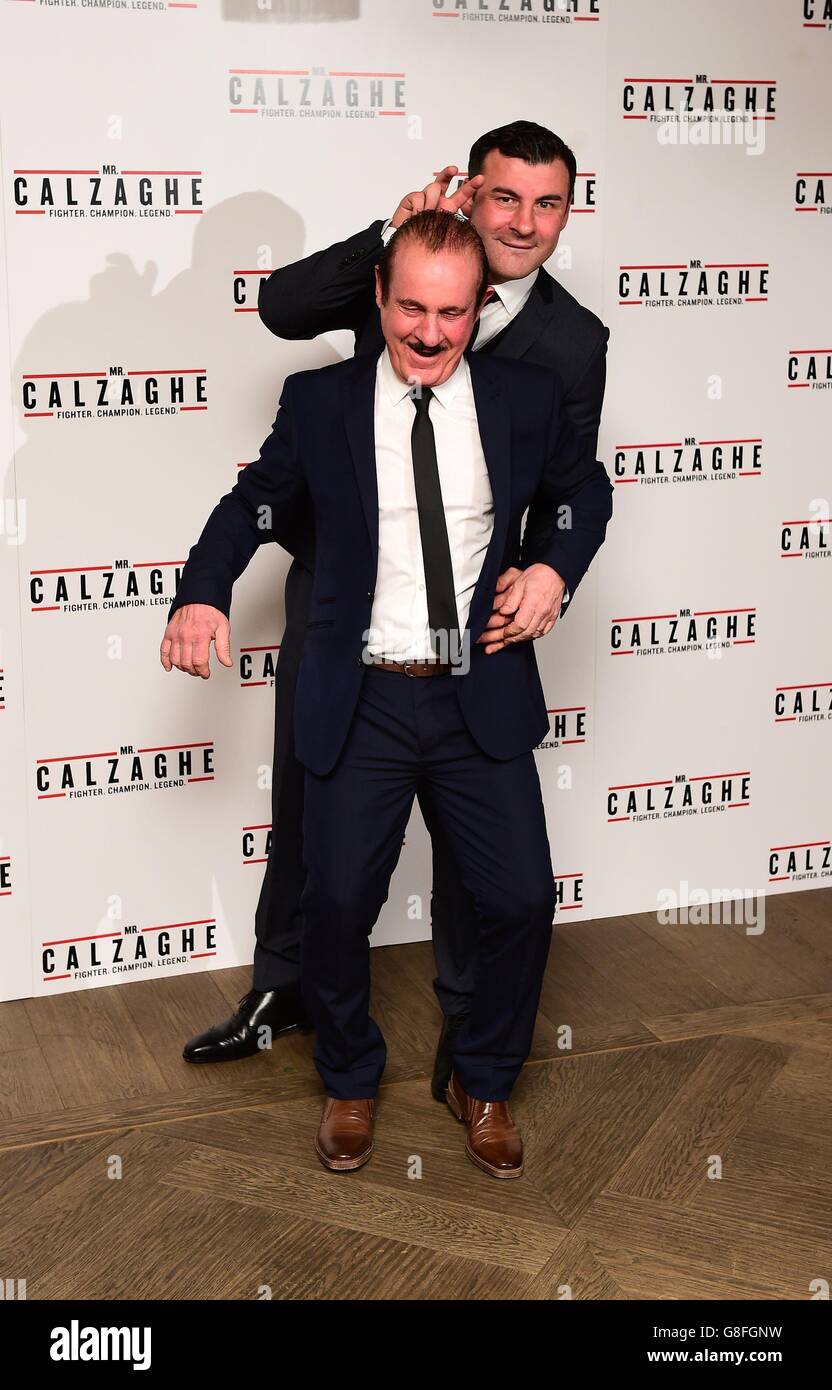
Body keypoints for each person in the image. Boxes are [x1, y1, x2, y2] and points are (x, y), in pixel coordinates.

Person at [161, 210, 613, 1176]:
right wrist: (202, 592)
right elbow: (254, 504)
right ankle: (351, 1078)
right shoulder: (321, 403)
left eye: (451, 313)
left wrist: (552, 569)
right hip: (361, 694)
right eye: (410, 306)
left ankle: (482, 1079)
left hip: (474, 692)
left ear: (477, 308)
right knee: (331, 909)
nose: (428, 332)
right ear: (380, 297)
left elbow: (586, 491)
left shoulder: (525, 398)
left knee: (524, 901)